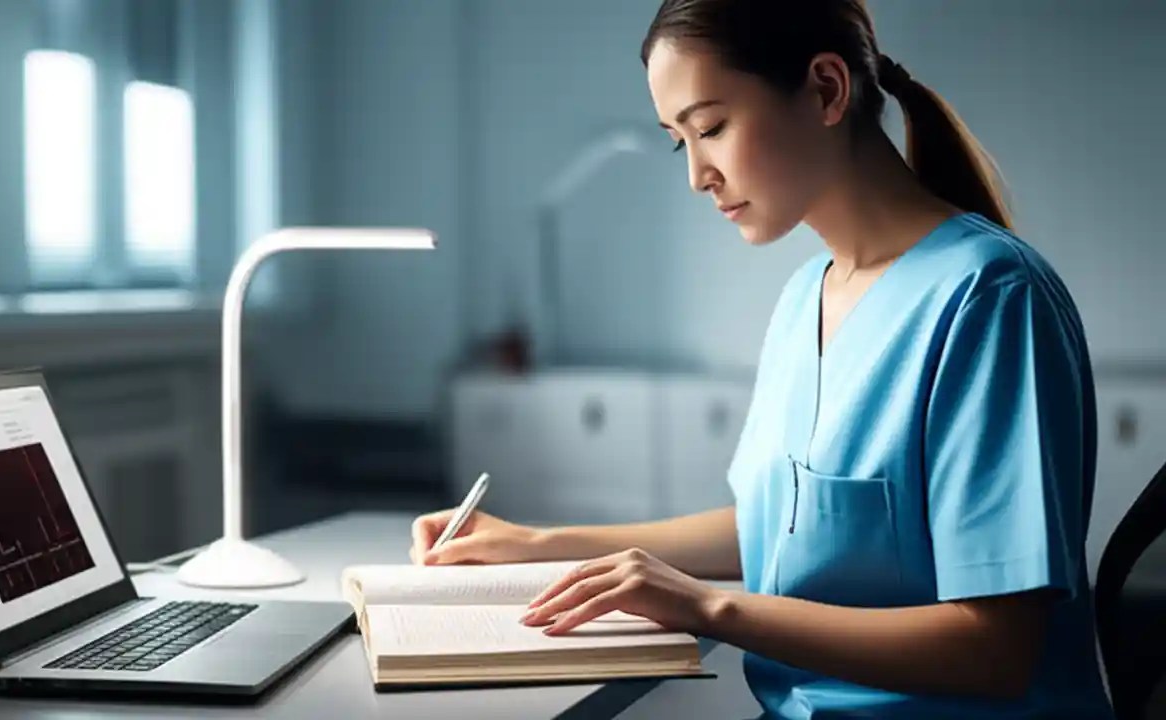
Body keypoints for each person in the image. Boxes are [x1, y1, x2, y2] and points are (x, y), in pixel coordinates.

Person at [412, 1, 1114, 717]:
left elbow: (992, 649)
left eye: (711, 127)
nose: (697, 175)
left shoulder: (990, 298)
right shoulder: (804, 296)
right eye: (677, 141)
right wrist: (537, 543)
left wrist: (713, 609)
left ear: (826, 90)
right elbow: (780, 526)